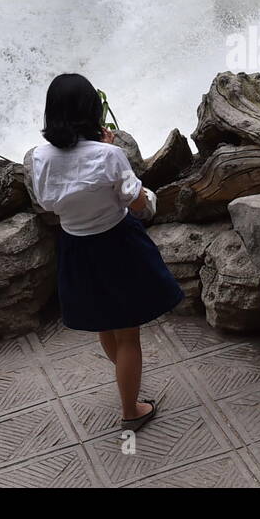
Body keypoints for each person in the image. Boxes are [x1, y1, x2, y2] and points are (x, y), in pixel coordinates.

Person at [24, 73, 183, 431]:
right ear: (91, 111)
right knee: (129, 335)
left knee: (104, 322)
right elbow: (138, 202)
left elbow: (48, 202)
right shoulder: (109, 155)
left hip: (76, 247)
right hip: (117, 243)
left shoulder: (39, 157)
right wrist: (109, 152)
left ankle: (126, 382)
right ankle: (131, 410)